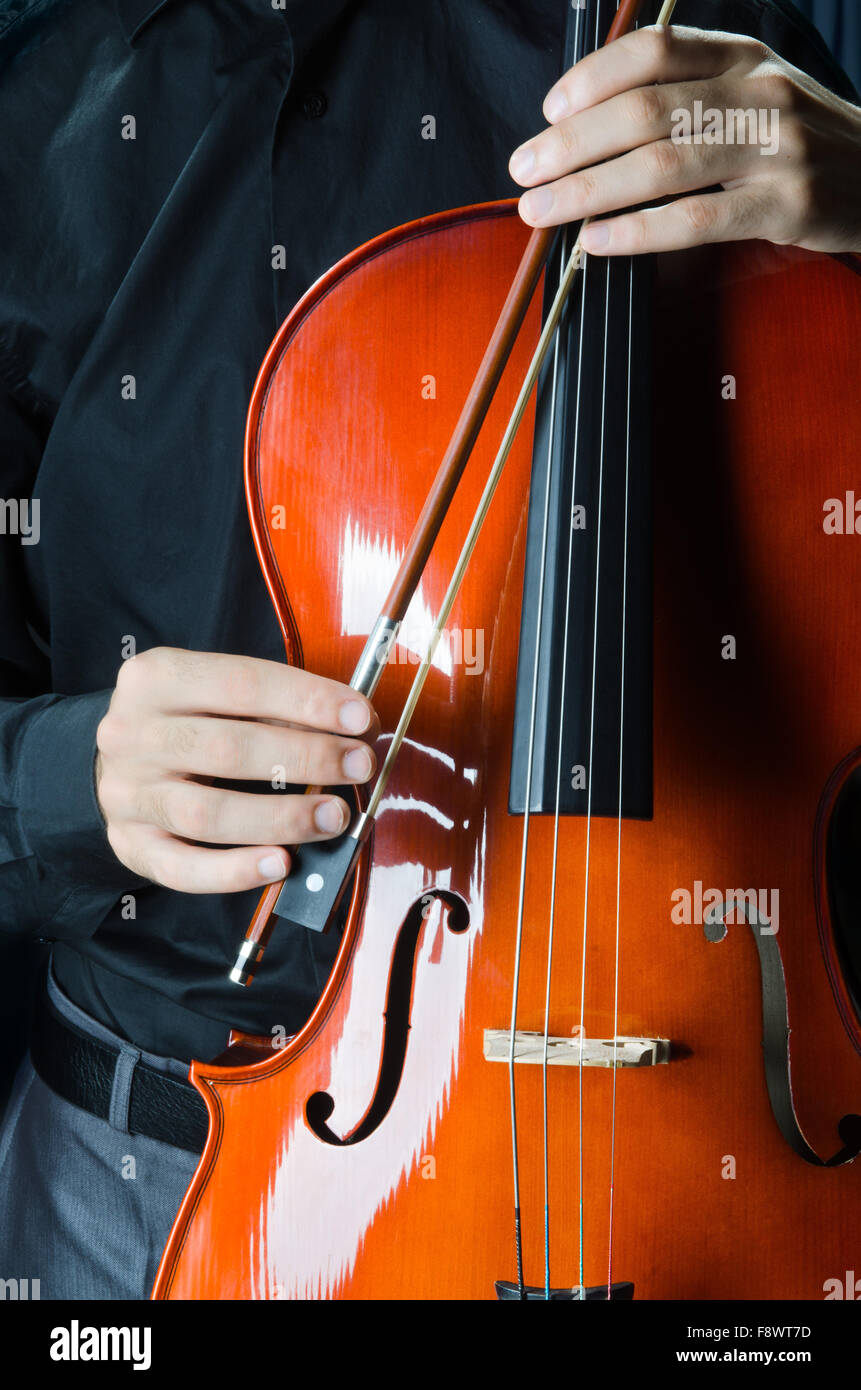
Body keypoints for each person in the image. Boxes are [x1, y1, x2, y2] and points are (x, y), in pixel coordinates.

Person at [0, 0, 859, 1300]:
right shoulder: (53, 105)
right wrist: (68, 779)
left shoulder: (714, 53)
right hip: (128, 1181)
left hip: (703, 1142)